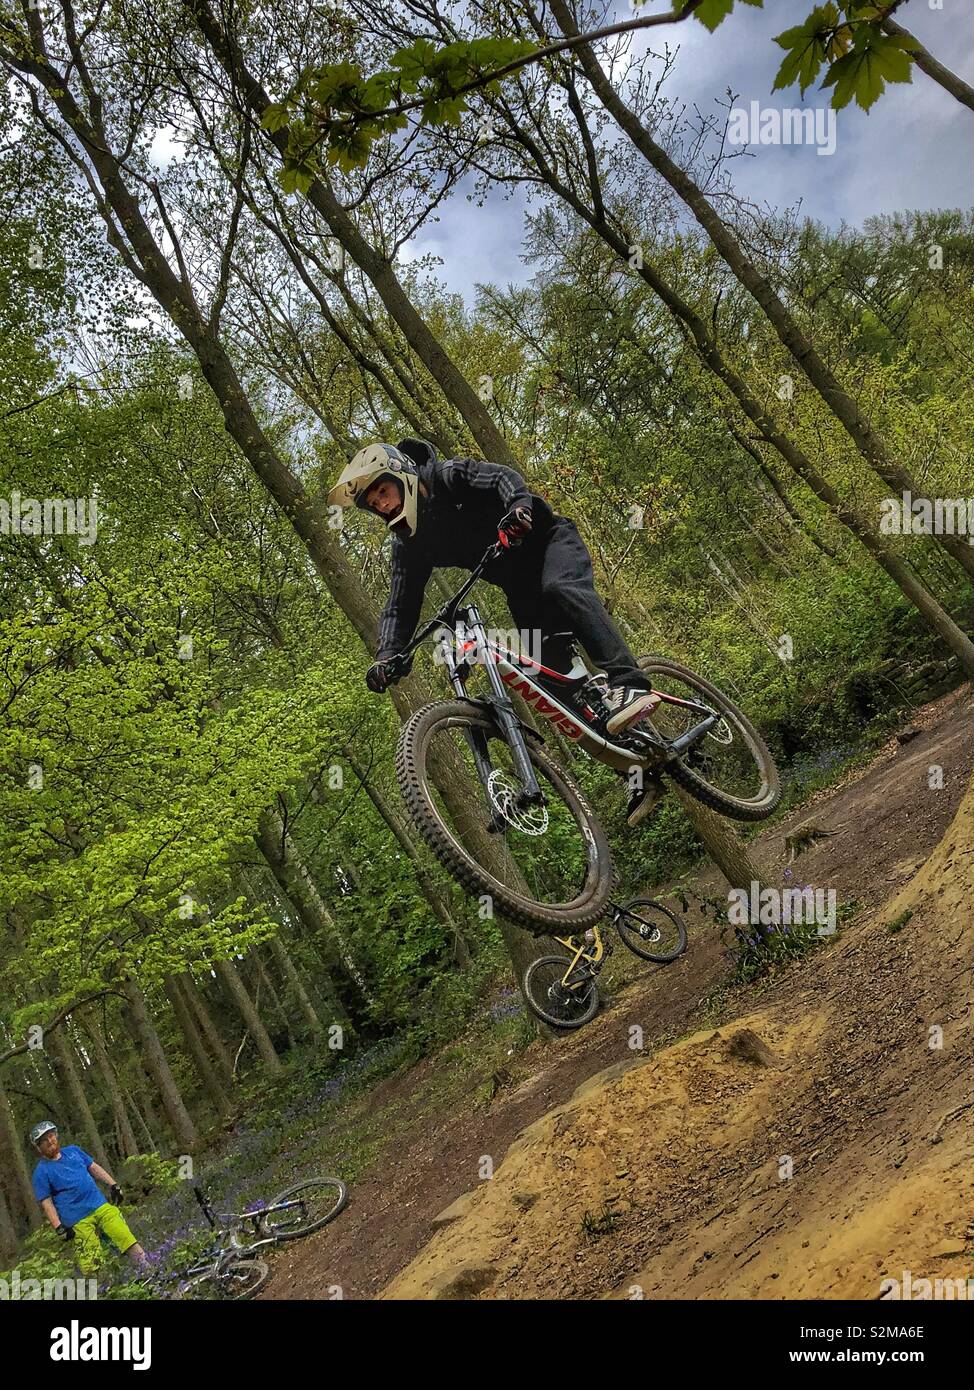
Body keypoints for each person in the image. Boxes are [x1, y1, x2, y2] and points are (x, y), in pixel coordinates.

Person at [328, 439, 663, 826]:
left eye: (383, 493)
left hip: (552, 544)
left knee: (562, 588)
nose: (383, 506)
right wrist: (388, 654)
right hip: (520, 591)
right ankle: (636, 771)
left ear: (402, 475)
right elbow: (400, 604)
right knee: (555, 685)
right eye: (374, 505)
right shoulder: (409, 545)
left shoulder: (448, 477)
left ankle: (630, 681)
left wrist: (518, 508)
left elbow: (502, 478)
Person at [30, 1120, 146, 1278]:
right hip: (77, 1219)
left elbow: (93, 1167)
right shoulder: (41, 1172)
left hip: (99, 1205)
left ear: (56, 1135)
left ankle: (147, 1269)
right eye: (44, 1140)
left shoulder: (74, 1151)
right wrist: (58, 1226)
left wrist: (113, 1185)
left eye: (51, 1136)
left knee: (124, 1236)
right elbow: (46, 1201)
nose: (50, 1141)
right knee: (92, 1263)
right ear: (39, 1147)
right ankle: (106, 1287)